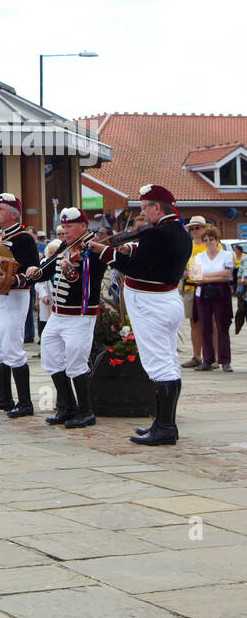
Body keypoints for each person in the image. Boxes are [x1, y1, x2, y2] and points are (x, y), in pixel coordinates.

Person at [90, 184, 193, 446]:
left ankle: (165, 426)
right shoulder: (178, 231)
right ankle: (163, 422)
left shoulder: (158, 234)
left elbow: (137, 269)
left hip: (152, 304)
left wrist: (105, 252)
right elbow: (153, 256)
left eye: (144, 207)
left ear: (156, 207)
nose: (142, 212)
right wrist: (129, 249)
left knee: (159, 366)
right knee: (167, 362)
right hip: (165, 300)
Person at [26, 208, 105, 427]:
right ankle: (67, 407)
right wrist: (36, 272)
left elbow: (90, 282)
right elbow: (49, 268)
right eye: (64, 227)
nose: (65, 231)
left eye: (69, 227)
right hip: (58, 314)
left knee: (76, 362)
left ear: (82, 226)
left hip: (79, 315)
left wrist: (71, 271)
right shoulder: (66, 246)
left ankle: (86, 411)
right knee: (51, 357)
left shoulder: (94, 248)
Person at [0, 193, 40, 418]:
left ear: (14, 214)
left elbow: (33, 270)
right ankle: (4, 397)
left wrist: (14, 279)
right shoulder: (0, 237)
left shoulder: (23, 238)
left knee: (12, 347)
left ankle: (25, 402)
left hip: (15, 296)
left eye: (2, 209)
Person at [189, 226, 234, 371]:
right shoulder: (199, 257)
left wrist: (206, 277)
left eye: (211, 239)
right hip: (203, 293)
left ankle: (225, 360)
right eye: (206, 240)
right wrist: (217, 275)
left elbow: (228, 275)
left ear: (217, 240)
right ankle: (207, 360)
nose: (209, 242)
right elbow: (196, 278)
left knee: (222, 326)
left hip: (221, 292)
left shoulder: (226, 255)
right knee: (205, 327)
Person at [180, 216, 209, 368]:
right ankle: (197, 355)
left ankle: (214, 356)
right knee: (194, 323)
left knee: (212, 323)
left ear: (204, 229)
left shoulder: (210, 245)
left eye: (197, 228)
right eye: (191, 228)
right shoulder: (188, 246)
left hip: (208, 286)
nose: (194, 231)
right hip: (191, 287)